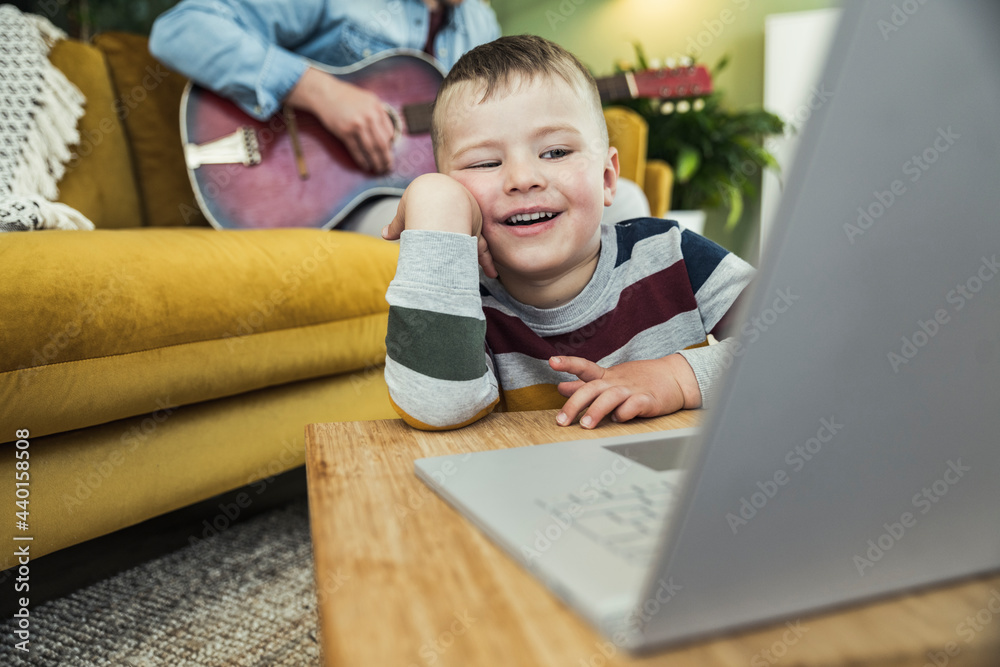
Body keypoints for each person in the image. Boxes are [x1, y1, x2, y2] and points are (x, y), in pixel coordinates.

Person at [381, 35, 755, 431]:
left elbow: (801, 339)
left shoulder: (673, 254)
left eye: (556, 152)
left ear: (608, 178)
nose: (522, 179)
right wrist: (437, 203)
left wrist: (677, 378)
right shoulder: (460, 301)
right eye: (486, 162)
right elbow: (438, 408)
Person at [149, 0, 501, 234]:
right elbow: (180, 30)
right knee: (441, 229)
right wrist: (323, 94)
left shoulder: (481, 24)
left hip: (422, 192)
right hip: (300, 195)